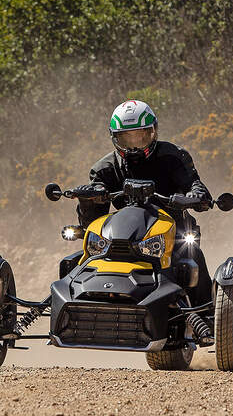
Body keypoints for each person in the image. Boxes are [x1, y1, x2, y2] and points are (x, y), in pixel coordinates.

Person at [72, 100, 214, 307]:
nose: (135, 144)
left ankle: (206, 313)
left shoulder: (173, 156)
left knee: (192, 257)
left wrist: (197, 194)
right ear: (115, 138)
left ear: (153, 132)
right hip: (121, 236)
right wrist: (87, 201)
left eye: (141, 136)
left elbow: (194, 184)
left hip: (174, 232)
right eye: (127, 138)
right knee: (74, 260)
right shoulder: (103, 169)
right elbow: (92, 222)